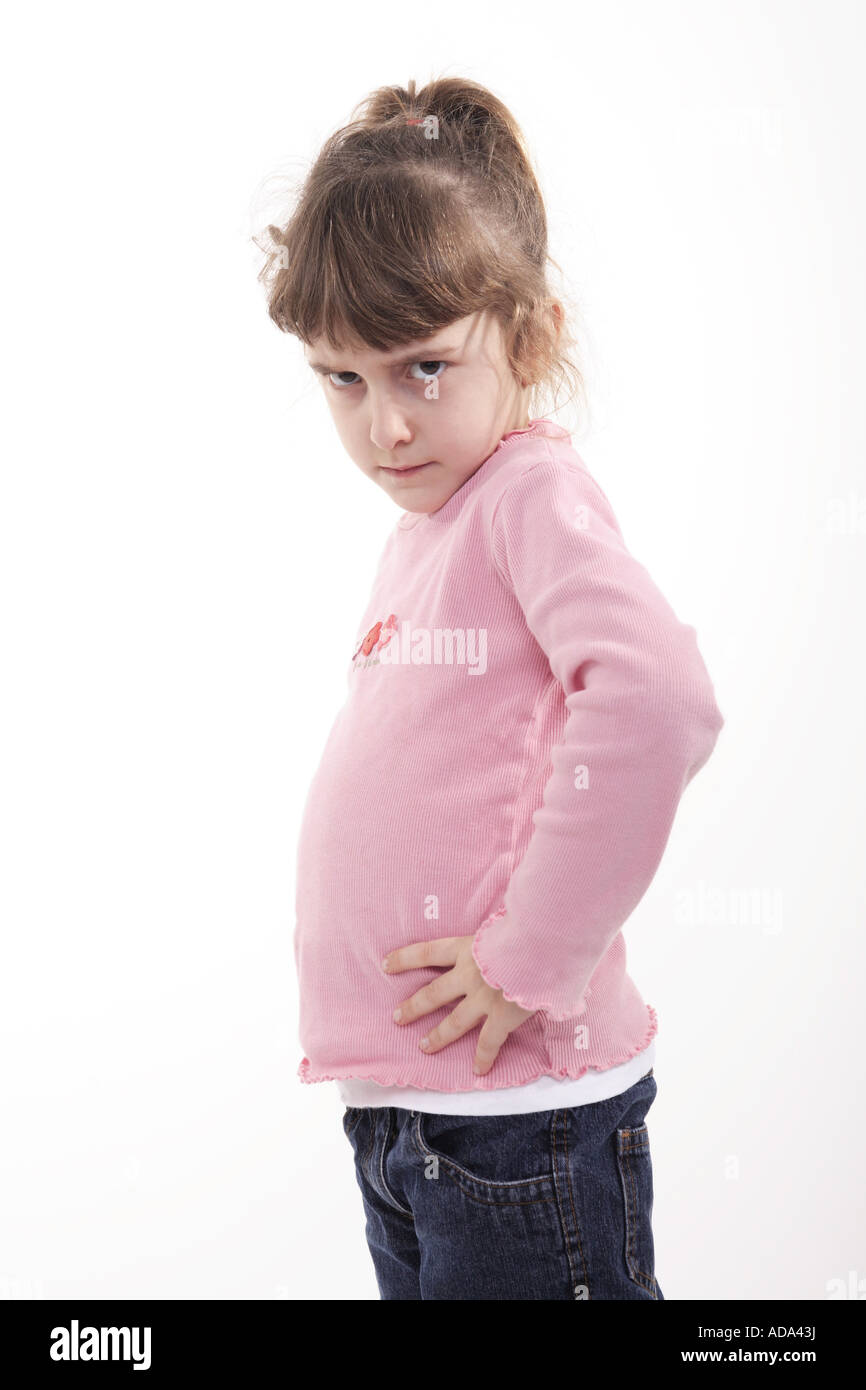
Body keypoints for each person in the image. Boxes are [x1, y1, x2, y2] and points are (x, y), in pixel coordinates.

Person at [255, 76, 724, 1300]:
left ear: (528, 336)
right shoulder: (433, 524)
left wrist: (525, 958)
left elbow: (658, 697)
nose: (382, 430)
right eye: (340, 380)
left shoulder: (524, 497)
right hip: (421, 1126)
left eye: (421, 369)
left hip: (522, 1127)